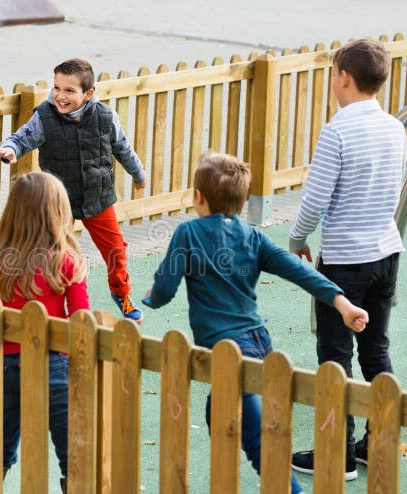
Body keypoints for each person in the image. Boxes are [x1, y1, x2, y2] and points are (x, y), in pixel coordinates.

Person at [142, 153, 370, 494]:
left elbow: (164, 291)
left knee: (259, 444)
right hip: (260, 345)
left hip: (234, 354)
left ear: (197, 197)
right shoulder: (253, 236)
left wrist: (149, 297)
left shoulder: (188, 234)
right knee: (218, 410)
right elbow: (299, 271)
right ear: (243, 200)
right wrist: (342, 303)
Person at [288, 38, 407, 481]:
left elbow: (316, 198)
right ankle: (378, 440)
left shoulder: (337, 130)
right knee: (376, 348)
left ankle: (336, 452)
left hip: (344, 260)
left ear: (342, 77)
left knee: (335, 354)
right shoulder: (394, 127)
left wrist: (297, 238)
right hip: (386, 251)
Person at [0, 58, 147, 323]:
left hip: (97, 197)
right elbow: (22, 137)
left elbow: (123, 148)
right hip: (58, 200)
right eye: (57, 88)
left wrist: (139, 174)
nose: (60, 96)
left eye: (69, 91)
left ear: (88, 94)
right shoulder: (45, 116)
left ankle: (121, 293)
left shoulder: (105, 116)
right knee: (51, 250)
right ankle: (44, 298)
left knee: (115, 251)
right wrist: (10, 149)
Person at [0, 172, 89, 494]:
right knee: (71, 453)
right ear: (57, 214)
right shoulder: (66, 262)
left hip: (4, 369)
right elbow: (80, 321)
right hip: (53, 369)